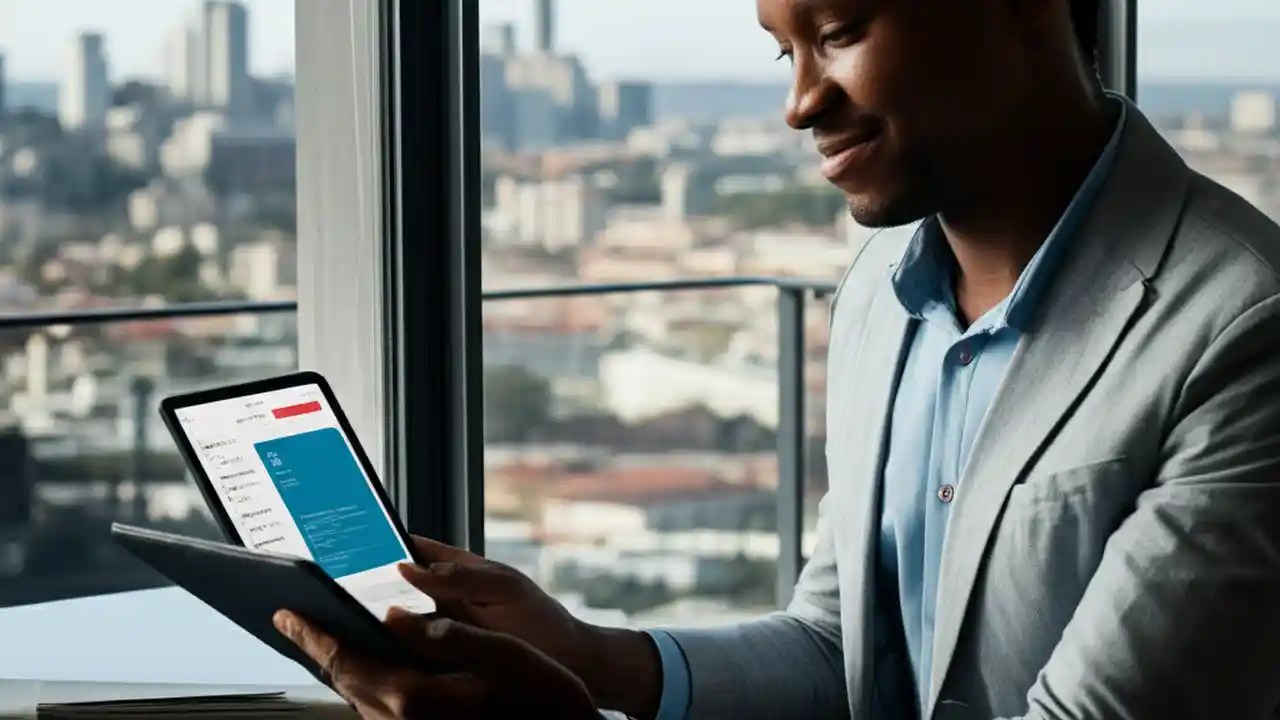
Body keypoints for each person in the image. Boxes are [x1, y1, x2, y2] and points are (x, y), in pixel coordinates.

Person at [278, 0, 1280, 717]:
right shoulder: (882, 286)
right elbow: (836, 653)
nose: (800, 102)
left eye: (837, 35)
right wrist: (585, 655)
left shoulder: (1243, 324)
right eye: (782, 51)